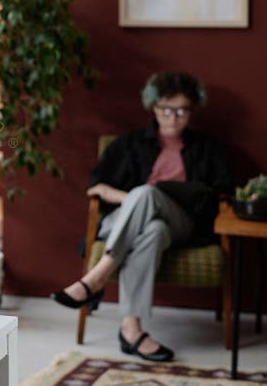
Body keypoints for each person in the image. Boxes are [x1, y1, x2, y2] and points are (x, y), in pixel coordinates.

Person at [51, 72, 232, 362]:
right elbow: (97, 187)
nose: (173, 117)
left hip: (182, 224)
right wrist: (139, 200)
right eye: (166, 109)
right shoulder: (129, 144)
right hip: (126, 221)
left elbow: (219, 194)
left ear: (192, 110)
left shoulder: (207, 149)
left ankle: (97, 276)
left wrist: (156, 197)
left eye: (181, 110)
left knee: (152, 202)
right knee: (153, 225)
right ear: (153, 107)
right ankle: (131, 329)